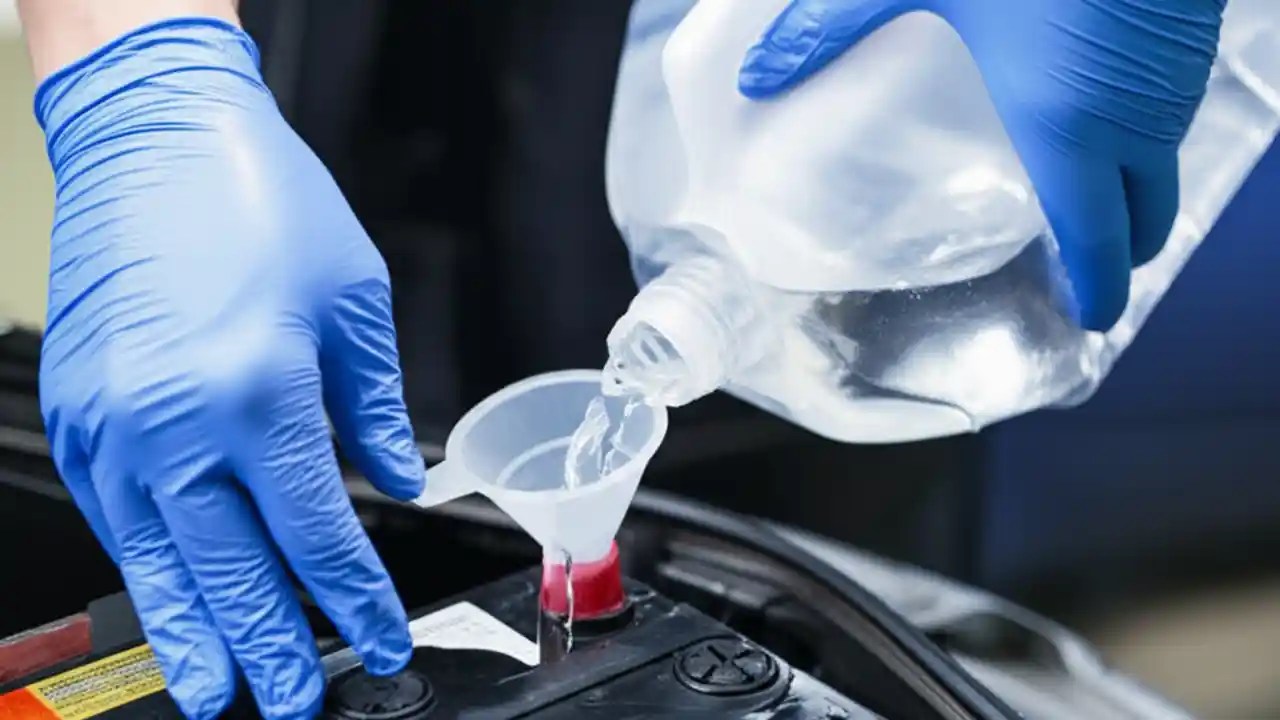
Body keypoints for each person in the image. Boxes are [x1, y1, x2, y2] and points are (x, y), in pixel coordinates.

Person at [16, 0, 1227, 717]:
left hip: (807, 82)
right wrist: (138, 59)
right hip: (358, 71)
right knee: (328, 473)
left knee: (814, 603)